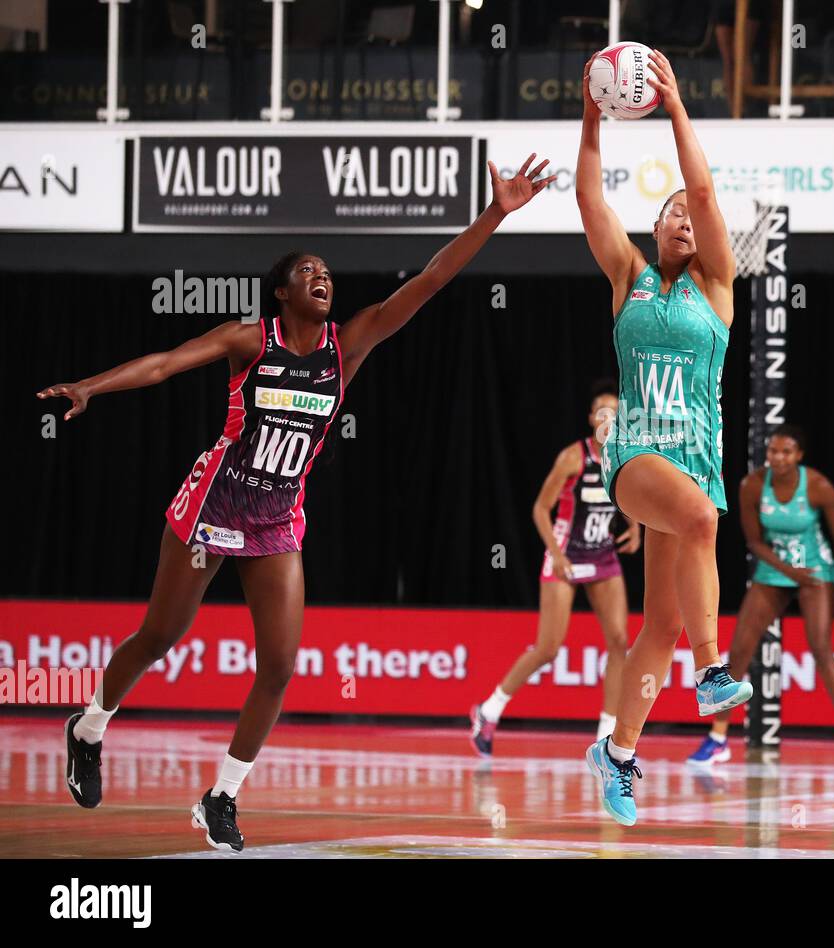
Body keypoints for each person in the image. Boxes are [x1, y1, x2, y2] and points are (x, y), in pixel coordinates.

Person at [41, 152, 557, 852]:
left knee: (280, 665)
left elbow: (433, 280)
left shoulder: (353, 344)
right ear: (280, 293)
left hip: (277, 517)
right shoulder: (250, 340)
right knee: (160, 636)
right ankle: (90, 726)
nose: (323, 280)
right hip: (214, 507)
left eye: (328, 274)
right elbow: (163, 363)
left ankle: (222, 795)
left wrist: (497, 212)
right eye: (308, 273)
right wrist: (91, 388)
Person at [576, 47, 751, 827]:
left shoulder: (717, 285)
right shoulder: (628, 277)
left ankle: (615, 754)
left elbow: (708, 190)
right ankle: (715, 673)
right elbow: (589, 202)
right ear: (654, 225)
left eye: (693, 211)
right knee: (705, 521)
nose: (685, 213)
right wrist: (592, 112)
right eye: (672, 210)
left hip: (699, 458)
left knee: (661, 627)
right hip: (639, 450)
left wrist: (678, 109)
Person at [470, 379, 641, 754]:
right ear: (591, 418)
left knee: (619, 642)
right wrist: (557, 555)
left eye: (615, 411)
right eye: (602, 411)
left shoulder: (625, 457)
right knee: (548, 647)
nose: (608, 418)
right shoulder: (572, 457)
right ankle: (489, 709)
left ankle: (605, 737)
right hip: (565, 554)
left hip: (601, 555)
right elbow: (539, 509)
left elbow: (628, 498)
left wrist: (635, 527)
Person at [687, 425, 834, 771]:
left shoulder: (817, 486)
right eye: (773, 451)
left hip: (815, 573)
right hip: (775, 571)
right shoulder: (752, 486)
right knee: (739, 649)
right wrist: (788, 571)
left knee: (821, 649)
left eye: (786, 452)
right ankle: (718, 739)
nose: (778, 458)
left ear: (799, 456)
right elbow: (754, 543)